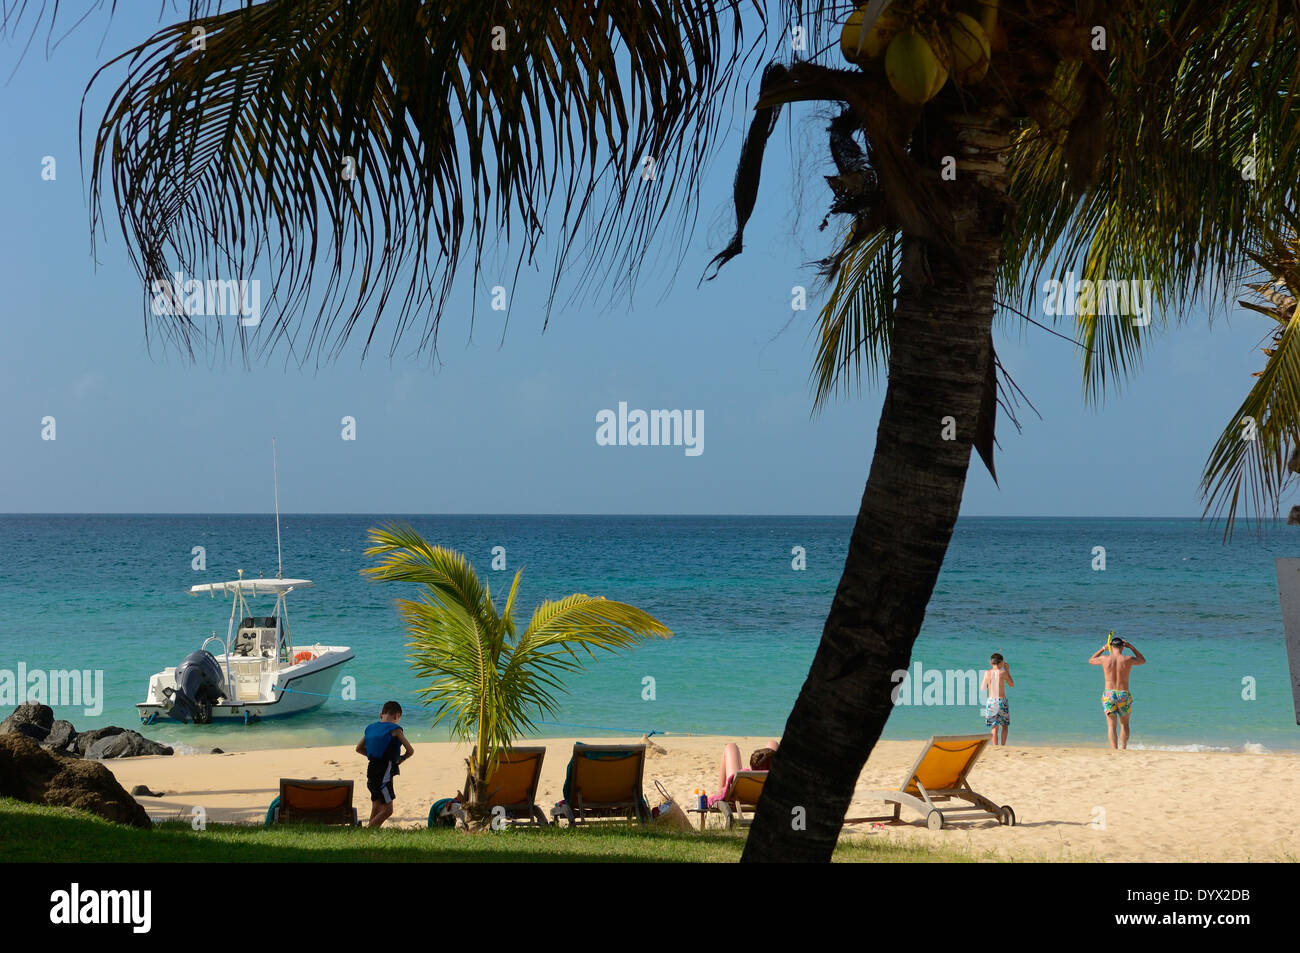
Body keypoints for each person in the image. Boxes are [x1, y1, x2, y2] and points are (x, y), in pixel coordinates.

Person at [355, 700, 414, 828]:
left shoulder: (369, 728)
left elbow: (358, 748)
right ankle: (367, 831)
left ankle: (368, 834)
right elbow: (410, 750)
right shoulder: (396, 730)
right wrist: (401, 759)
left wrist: (375, 756)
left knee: (376, 806)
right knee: (388, 809)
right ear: (397, 716)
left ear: (381, 714)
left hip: (371, 770)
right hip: (384, 771)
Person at [1089, 635, 1146, 749]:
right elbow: (1142, 660)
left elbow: (1091, 660)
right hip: (1123, 694)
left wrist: (1103, 648)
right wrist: (1132, 647)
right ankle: (1123, 748)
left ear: (1111, 646)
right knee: (1124, 724)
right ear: (1123, 647)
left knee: (1111, 725)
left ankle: (1115, 749)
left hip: (1109, 694)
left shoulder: (1104, 659)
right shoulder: (1128, 659)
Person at [710, 739, 778, 806]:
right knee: (773, 743)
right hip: (771, 795)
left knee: (731, 746)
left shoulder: (743, 777)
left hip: (741, 797)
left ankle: (719, 790)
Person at [981, 653, 1014, 745]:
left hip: (991, 701)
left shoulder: (987, 673)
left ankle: (995, 747)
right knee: (1004, 726)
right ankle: (1003, 745)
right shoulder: (1003, 673)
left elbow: (983, 688)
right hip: (1001, 701)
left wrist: (989, 683)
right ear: (1001, 663)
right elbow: (1011, 684)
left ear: (991, 663)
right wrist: (1007, 670)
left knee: (994, 726)